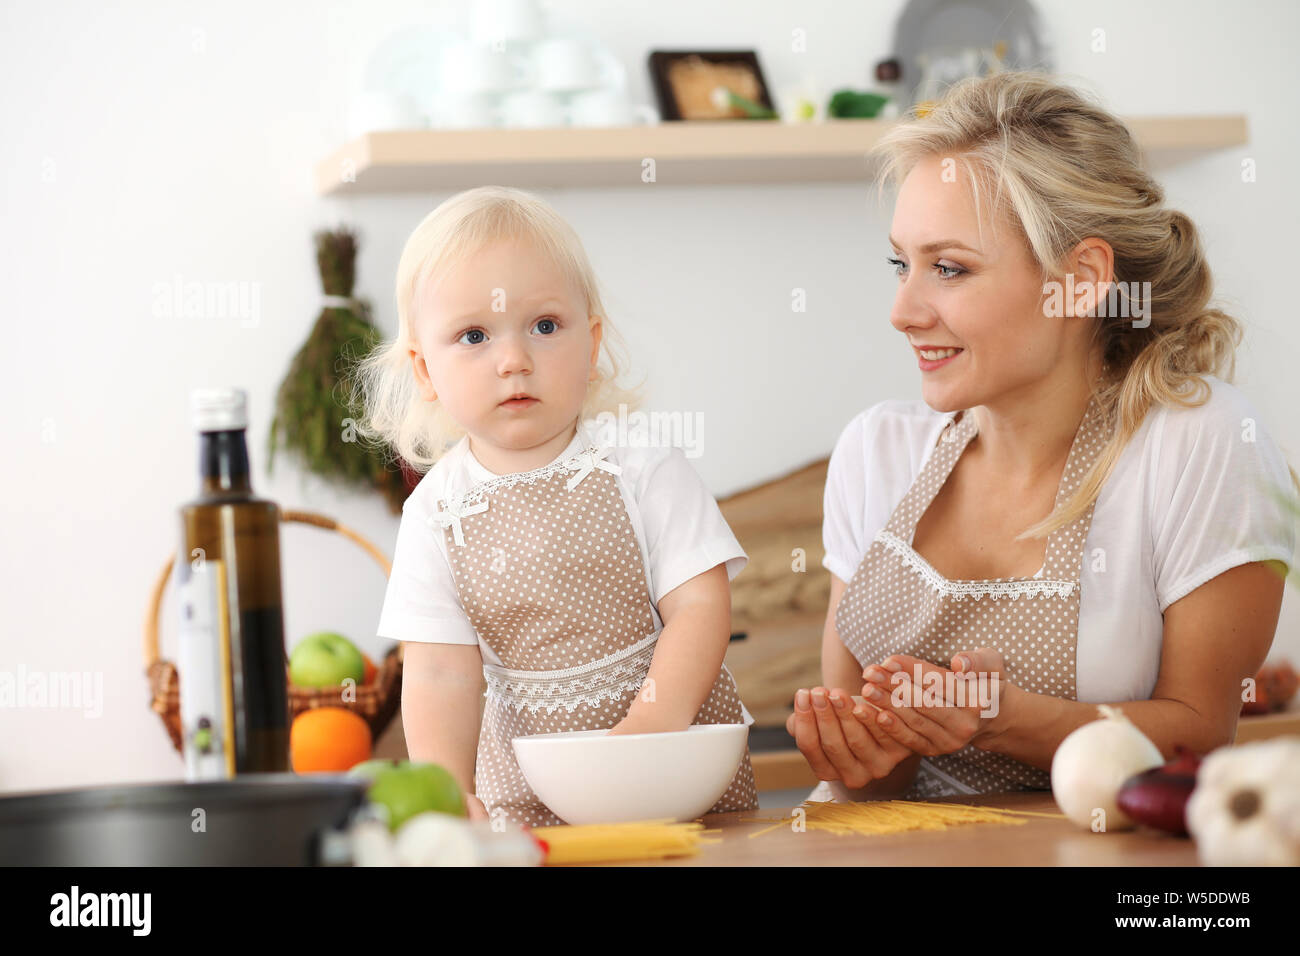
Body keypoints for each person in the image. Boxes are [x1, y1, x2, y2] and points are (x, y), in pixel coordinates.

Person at [788, 71, 1298, 801]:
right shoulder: (878, 451)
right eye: (903, 264)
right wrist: (858, 746)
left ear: (1082, 277)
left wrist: (1003, 721)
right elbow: (876, 777)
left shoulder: (1199, 443)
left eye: (949, 268)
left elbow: (1200, 729)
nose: (903, 309)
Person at [354, 186, 758, 827]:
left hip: (674, 776)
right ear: (424, 370)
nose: (514, 360)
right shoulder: (435, 512)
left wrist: (655, 720)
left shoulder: (639, 464)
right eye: (474, 335)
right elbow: (438, 673)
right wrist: (450, 793)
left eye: (545, 326)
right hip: (529, 792)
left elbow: (701, 604)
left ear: (591, 343)